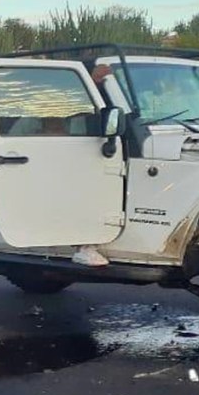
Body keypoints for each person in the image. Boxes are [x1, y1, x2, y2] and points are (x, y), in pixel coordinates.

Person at [71, 65, 115, 267]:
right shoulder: (76, 94)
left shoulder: (112, 92)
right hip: (75, 153)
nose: (105, 78)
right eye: (102, 75)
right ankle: (85, 245)